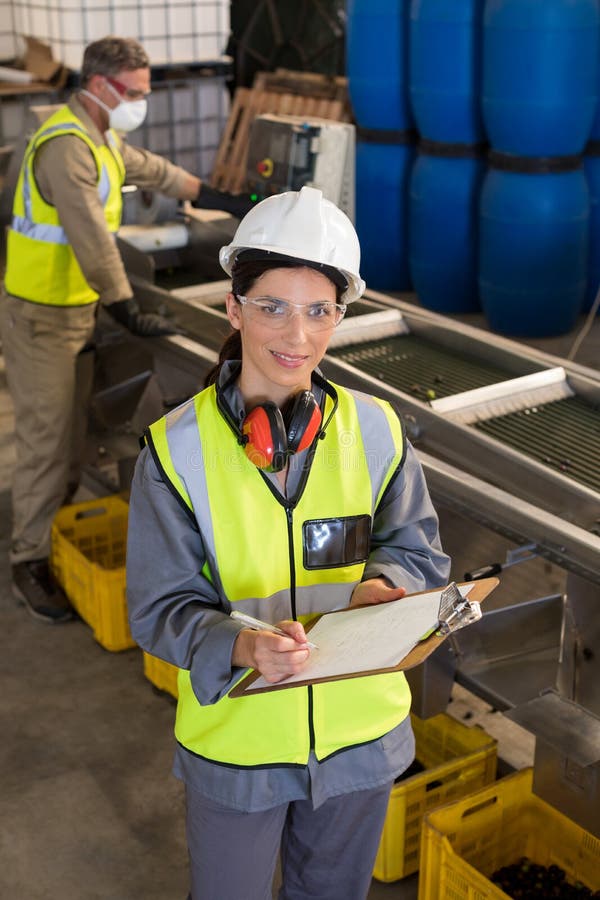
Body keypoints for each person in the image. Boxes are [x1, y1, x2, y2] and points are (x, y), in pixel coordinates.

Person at [126, 186, 451, 900]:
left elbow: (418, 548)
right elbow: (158, 608)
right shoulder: (175, 453)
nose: (296, 336)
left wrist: (385, 585)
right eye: (272, 306)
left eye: (319, 311)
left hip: (358, 739)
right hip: (239, 749)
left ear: (340, 315)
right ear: (233, 306)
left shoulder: (375, 432)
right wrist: (243, 645)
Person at [1, 35, 252, 624]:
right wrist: (124, 306)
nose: (143, 103)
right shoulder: (67, 149)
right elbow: (91, 239)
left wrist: (220, 198)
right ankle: (26, 561)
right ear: (99, 87)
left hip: (74, 311)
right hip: (42, 318)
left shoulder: (102, 138)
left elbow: (157, 172)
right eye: (135, 93)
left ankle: (51, 526)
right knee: (45, 441)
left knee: (68, 437)